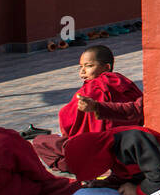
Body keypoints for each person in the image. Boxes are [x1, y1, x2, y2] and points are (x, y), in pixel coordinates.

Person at [32, 44, 143, 173]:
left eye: (89, 66)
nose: (82, 71)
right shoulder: (124, 82)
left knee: (40, 141)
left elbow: (68, 117)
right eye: (81, 67)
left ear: (106, 67)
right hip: (129, 145)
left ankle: (88, 167)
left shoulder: (94, 87)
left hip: (98, 148)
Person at [62, 124, 160, 195]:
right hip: (154, 179)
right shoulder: (108, 149)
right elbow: (125, 173)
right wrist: (103, 183)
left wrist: (137, 191)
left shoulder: (133, 140)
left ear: (96, 158)